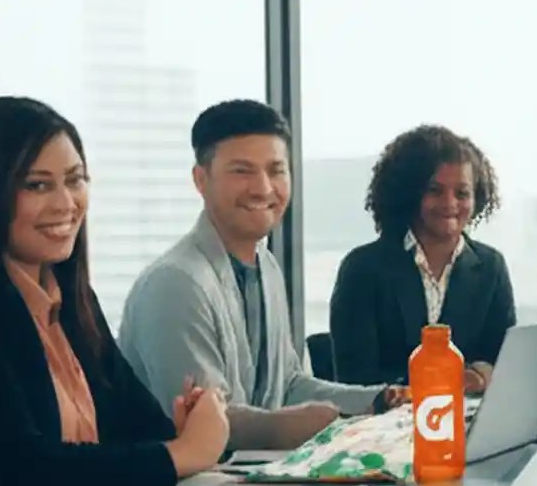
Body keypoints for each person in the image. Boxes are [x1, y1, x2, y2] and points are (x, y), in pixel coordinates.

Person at [0, 97, 228, 486]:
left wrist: (180, 431)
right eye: (36, 185)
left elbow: (141, 425)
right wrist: (180, 453)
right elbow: (22, 472)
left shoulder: (70, 296)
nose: (65, 203)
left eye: (75, 180)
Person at [120, 100, 398, 451]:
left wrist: (383, 401)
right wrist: (319, 424)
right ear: (200, 179)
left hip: (249, 484)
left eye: (276, 170)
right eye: (242, 171)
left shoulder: (265, 265)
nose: (263, 188)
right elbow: (205, 423)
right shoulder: (176, 283)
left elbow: (288, 386)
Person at [331, 125, 516, 392]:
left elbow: (503, 362)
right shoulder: (362, 269)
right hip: (385, 426)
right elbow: (356, 380)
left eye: (462, 193)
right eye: (435, 190)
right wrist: (449, 382)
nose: (450, 203)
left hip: (470, 426)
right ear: (408, 193)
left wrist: (480, 375)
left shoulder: (491, 267)